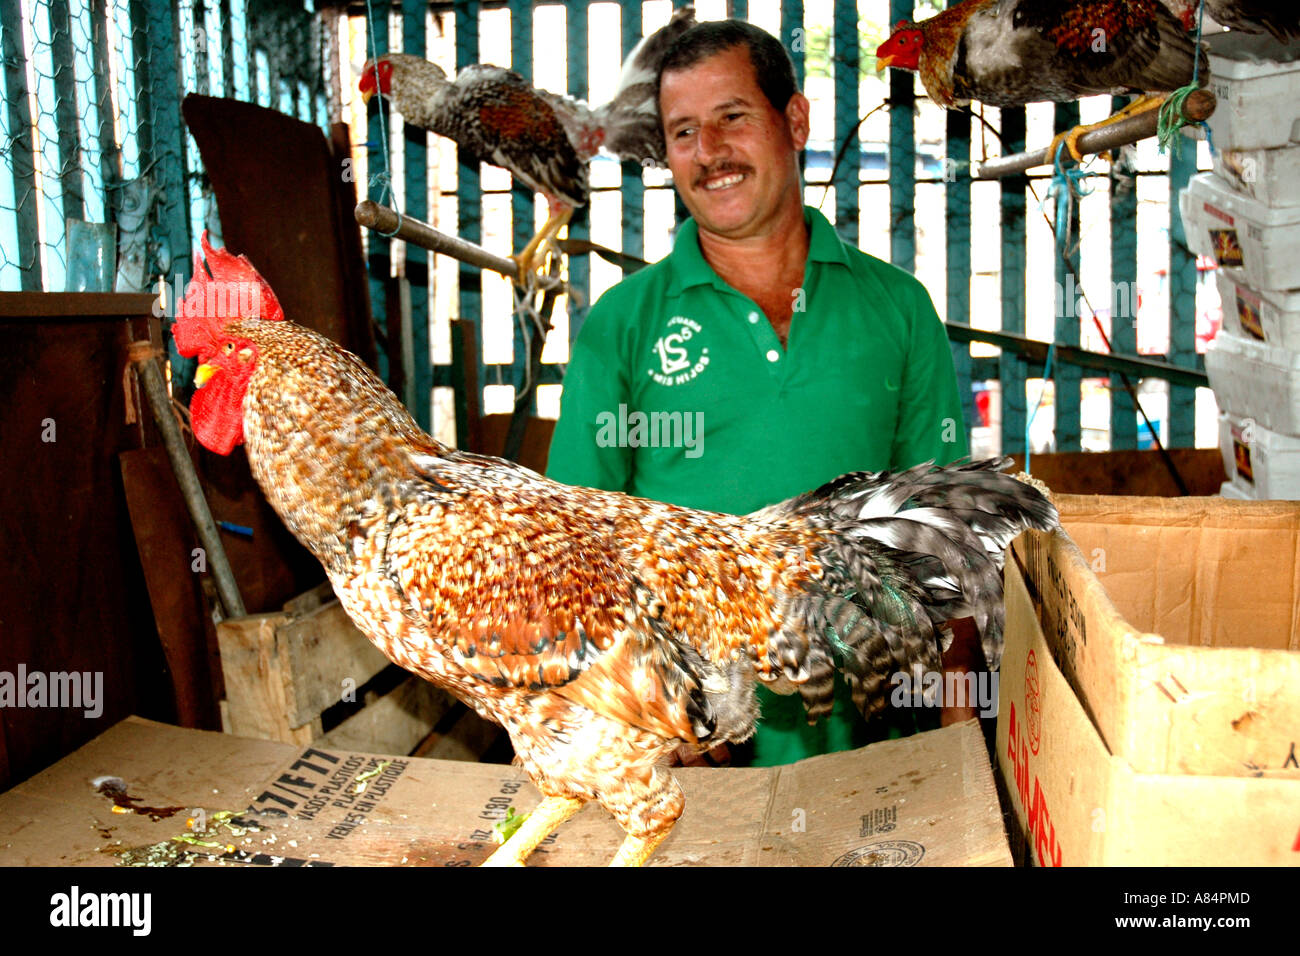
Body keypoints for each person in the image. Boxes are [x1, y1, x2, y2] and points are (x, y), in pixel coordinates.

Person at [546, 18, 969, 767]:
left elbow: (943, 544)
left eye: (731, 118)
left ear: (795, 120)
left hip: (869, 740)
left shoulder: (898, 308)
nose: (708, 153)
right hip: (695, 750)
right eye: (683, 132)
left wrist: (959, 743)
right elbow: (573, 555)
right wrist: (647, 709)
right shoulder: (622, 323)